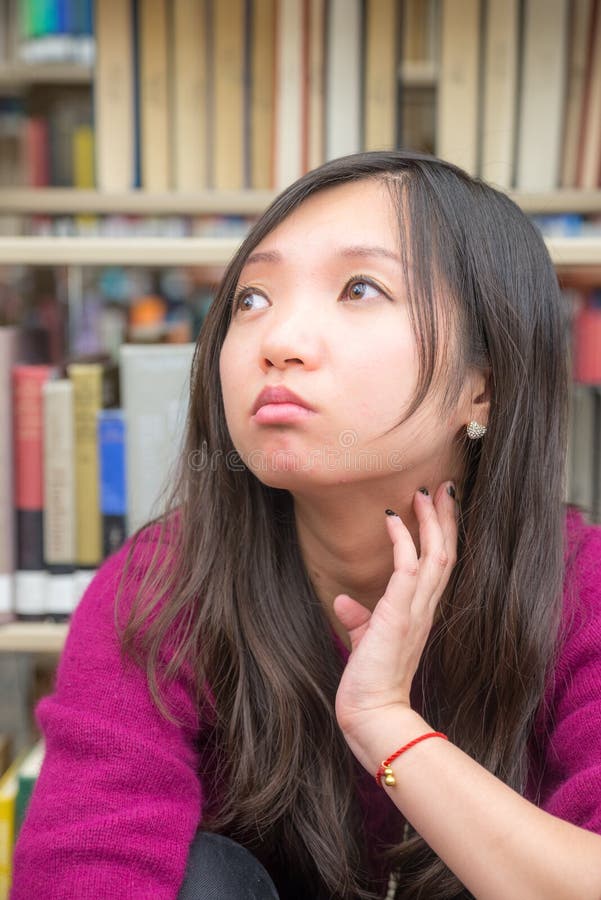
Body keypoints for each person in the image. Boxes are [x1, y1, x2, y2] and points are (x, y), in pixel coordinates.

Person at [10, 151, 601, 900]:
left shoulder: (581, 587)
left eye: (360, 288)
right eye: (251, 298)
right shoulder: (162, 588)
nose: (276, 340)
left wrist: (386, 722)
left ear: (480, 387)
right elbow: (84, 876)